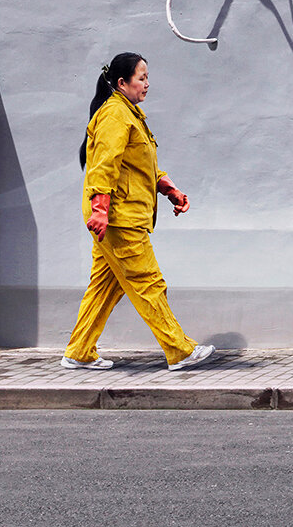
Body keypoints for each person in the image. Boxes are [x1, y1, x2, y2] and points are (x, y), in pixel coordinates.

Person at [62, 52, 215, 372]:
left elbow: (140, 166)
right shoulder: (115, 115)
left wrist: (170, 190)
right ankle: (179, 350)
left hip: (121, 215)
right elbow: (104, 165)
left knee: (105, 286)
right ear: (122, 83)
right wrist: (100, 209)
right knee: (148, 282)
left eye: (147, 78)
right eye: (141, 78)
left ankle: (79, 351)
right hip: (119, 218)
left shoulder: (129, 114)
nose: (147, 84)